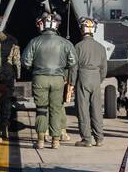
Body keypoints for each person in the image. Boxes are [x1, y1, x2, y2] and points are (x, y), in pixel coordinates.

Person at [21, 13, 76, 149]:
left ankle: (40, 140)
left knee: (41, 110)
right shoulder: (65, 42)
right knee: (56, 109)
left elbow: (25, 61)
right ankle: (55, 141)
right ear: (56, 25)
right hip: (58, 78)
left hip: (40, 78)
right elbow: (73, 61)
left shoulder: (35, 41)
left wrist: (34, 69)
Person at [72, 17, 109, 147]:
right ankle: (99, 137)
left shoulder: (78, 46)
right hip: (96, 78)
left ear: (82, 30)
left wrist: (72, 83)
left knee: (83, 109)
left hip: (83, 77)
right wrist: (99, 80)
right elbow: (104, 68)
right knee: (97, 109)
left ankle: (86, 139)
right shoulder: (101, 47)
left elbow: (74, 67)